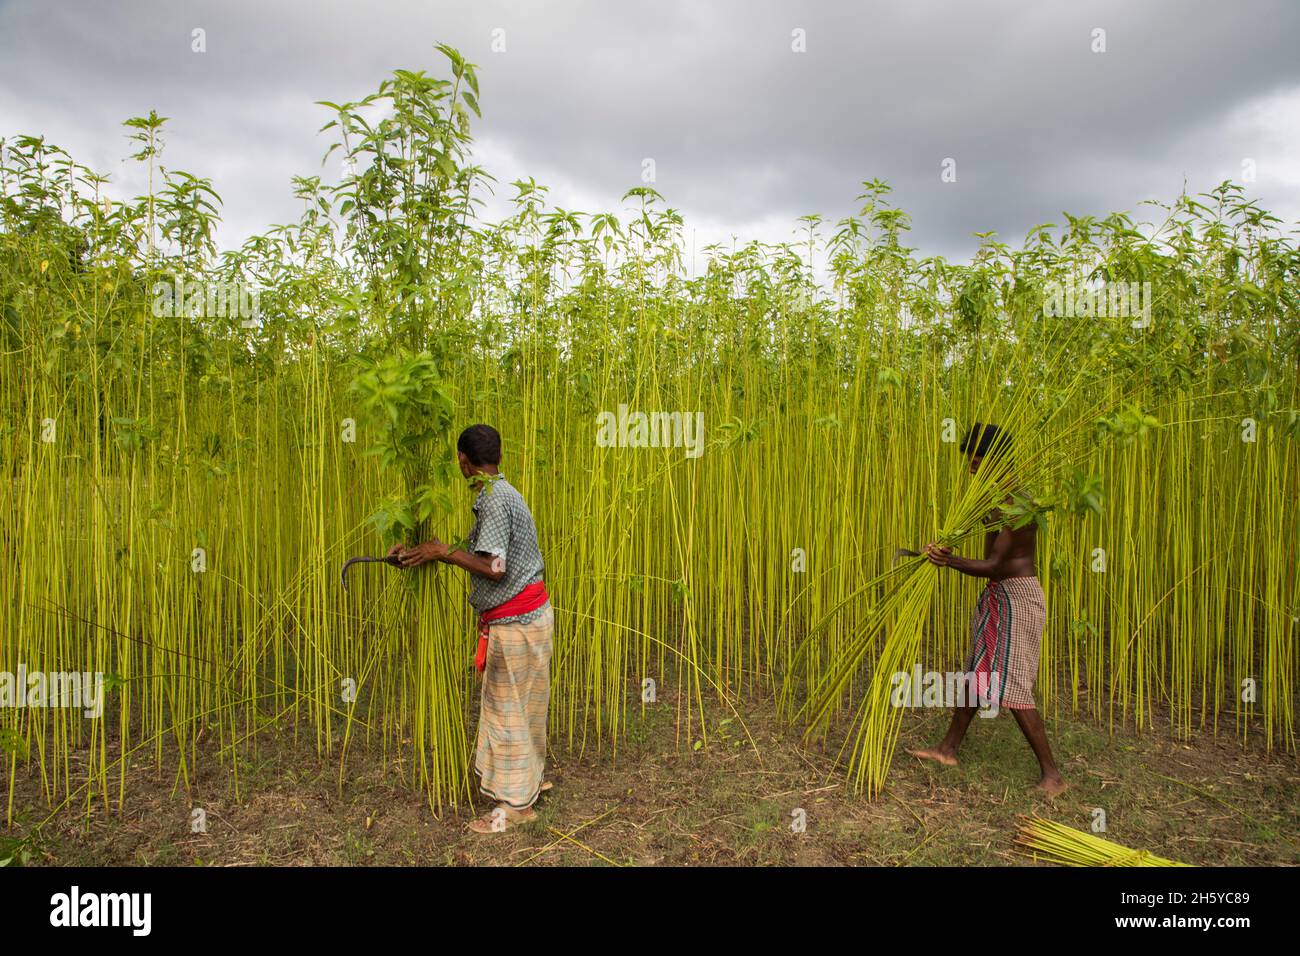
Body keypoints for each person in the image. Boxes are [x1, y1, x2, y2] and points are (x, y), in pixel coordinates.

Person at [394, 424, 555, 831]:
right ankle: (528, 783)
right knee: (525, 710)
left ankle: (515, 808)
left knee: (509, 714)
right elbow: (483, 552)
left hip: (517, 624)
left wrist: (444, 552)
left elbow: (494, 569)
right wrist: (423, 551)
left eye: (459, 459)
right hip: (528, 619)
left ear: (464, 461)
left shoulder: (495, 499)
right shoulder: (502, 492)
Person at [909, 423, 1067, 797]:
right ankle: (947, 750)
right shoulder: (995, 501)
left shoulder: (1017, 504)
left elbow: (996, 564)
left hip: (1017, 599)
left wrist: (947, 561)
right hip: (999, 595)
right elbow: (988, 562)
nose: (971, 469)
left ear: (995, 458)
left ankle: (1053, 774)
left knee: (1011, 685)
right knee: (976, 677)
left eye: (976, 460)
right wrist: (944, 551)